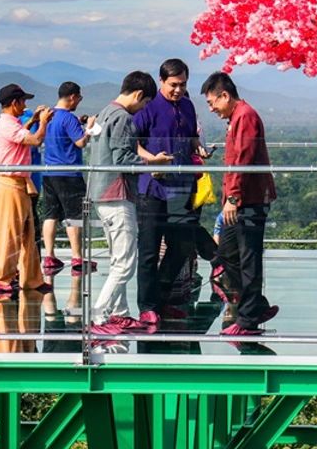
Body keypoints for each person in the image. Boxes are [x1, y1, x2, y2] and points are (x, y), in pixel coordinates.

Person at [85, 71, 172, 334]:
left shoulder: (104, 113)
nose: (143, 108)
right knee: (125, 262)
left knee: (116, 258)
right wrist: (151, 163)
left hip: (100, 193)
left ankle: (119, 313)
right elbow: (121, 159)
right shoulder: (123, 118)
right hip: (117, 194)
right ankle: (98, 316)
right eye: (145, 103)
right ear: (138, 95)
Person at [201, 71, 278, 337]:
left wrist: (232, 197)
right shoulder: (237, 117)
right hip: (239, 200)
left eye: (212, 102)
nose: (211, 108)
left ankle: (248, 320)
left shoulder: (244, 116)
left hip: (248, 200)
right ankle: (255, 305)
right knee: (226, 254)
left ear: (225, 95)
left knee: (248, 257)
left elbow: (242, 161)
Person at [132, 58, 201, 326]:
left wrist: (199, 149)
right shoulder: (148, 108)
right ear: (161, 81)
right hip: (151, 188)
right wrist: (151, 160)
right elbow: (132, 143)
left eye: (182, 85)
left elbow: (192, 138)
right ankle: (147, 306)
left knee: (182, 246)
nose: (178, 90)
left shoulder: (187, 105)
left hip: (182, 187)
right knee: (149, 250)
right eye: (173, 85)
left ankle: (161, 299)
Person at [0, 83, 54, 299]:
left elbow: (22, 135)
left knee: (28, 233)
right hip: (10, 184)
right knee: (9, 232)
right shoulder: (7, 124)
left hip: (20, 183)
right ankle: (3, 277)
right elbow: (35, 140)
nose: (25, 105)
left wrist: (35, 120)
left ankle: (31, 277)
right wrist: (43, 123)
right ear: (15, 103)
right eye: (23, 102)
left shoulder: (12, 123)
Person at [41, 82, 97, 274]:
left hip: (49, 172)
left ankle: (48, 255)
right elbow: (80, 142)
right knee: (74, 216)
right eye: (79, 98)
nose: (78, 102)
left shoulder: (48, 117)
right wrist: (88, 128)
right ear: (72, 97)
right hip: (69, 173)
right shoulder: (69, 118)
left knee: (51, 215)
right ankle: (76, 257)